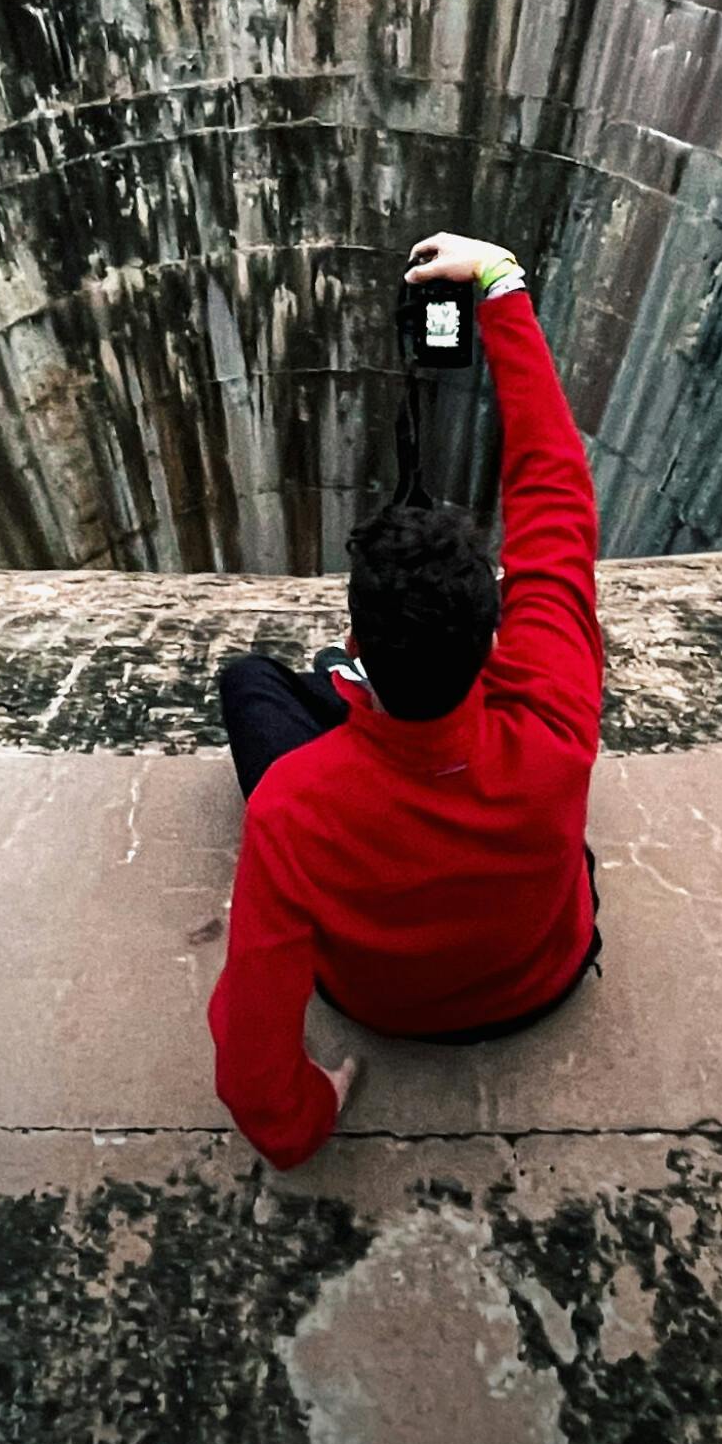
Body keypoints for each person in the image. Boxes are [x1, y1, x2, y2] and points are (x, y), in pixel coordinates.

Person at [206, 229, 603, 1168]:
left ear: (360, 646)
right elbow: (555, 494)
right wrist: (501, 282)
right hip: (542, 981)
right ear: (495, 639)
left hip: (385, 1007)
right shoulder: (555, 708)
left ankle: (331, 686)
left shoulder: (296, 808)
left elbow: (251, 1055)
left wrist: (308, 1112)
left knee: (250, 682)